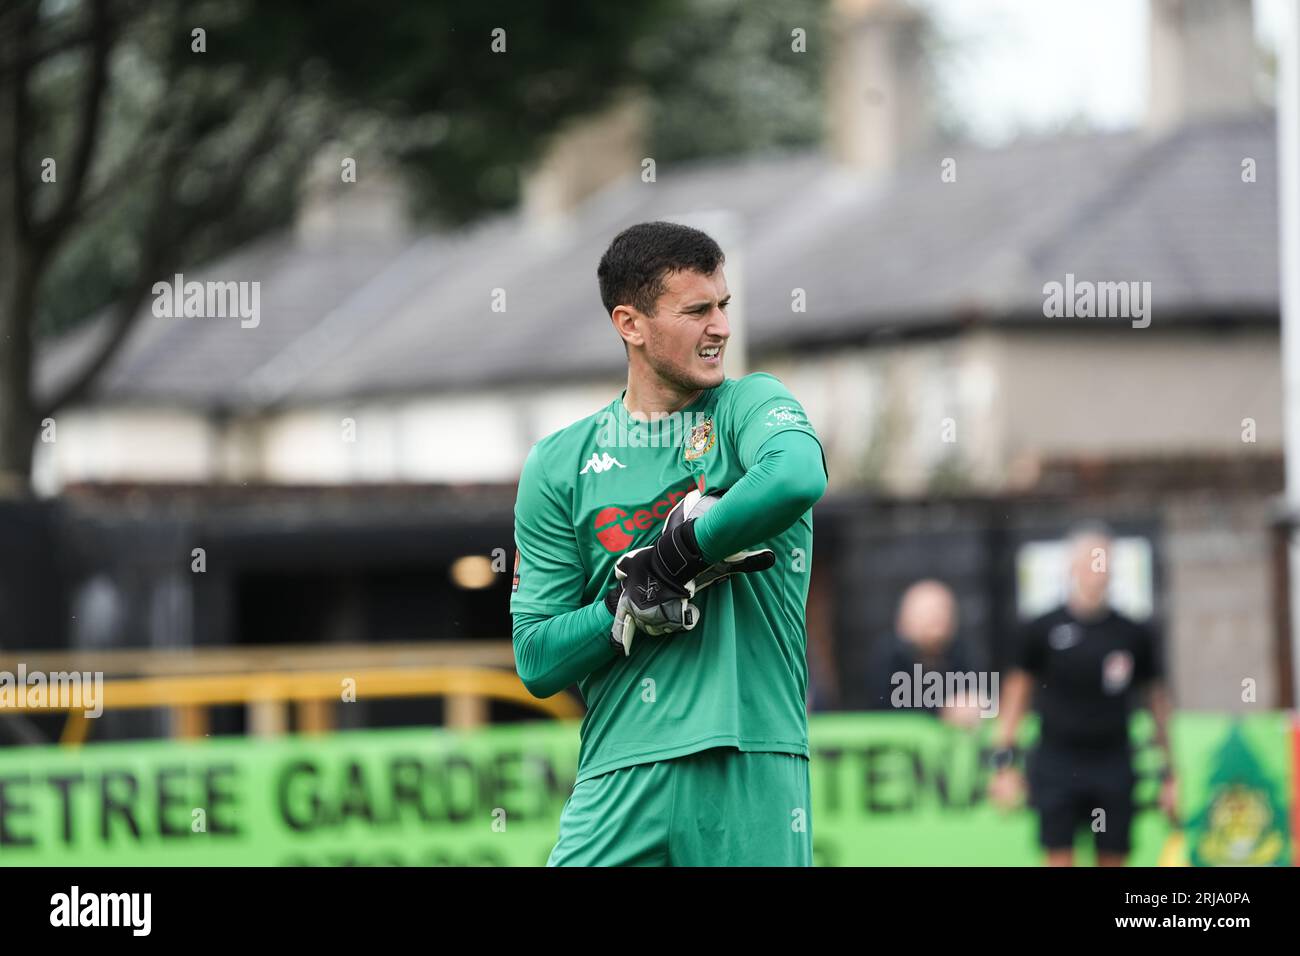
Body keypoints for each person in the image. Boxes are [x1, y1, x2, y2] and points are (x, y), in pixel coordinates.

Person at [510, 221, 828, 866]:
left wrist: (678, 556)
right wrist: (621, 607)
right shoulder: (558, 463)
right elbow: (537, 660)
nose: (721, 328)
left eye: (723, 306)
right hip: (618, 775)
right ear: (631, 323)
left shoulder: (748, 405)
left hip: (750, 760)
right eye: (696, 310)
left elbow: (798, 475)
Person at [988, 523, 1178, 866]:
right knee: (1059, 857)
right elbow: (1016, 697)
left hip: (1113, 762)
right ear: (1071, 567)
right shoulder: (1042, 629)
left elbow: (1156, 703)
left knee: (1113, 856)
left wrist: (1170, 774)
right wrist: (1004, 764)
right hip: (1057, 761)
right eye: (1090, 562)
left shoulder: (1132, 633)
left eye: (1104, 562)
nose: (1097, 571)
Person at [867, 579, 984, 727]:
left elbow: (976, 699)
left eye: (944, 611)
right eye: (928, 612)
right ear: (904, 620)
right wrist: (943, 712)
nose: (939, 618)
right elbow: (886, 710)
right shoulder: (888, 657)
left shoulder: (961, 652)